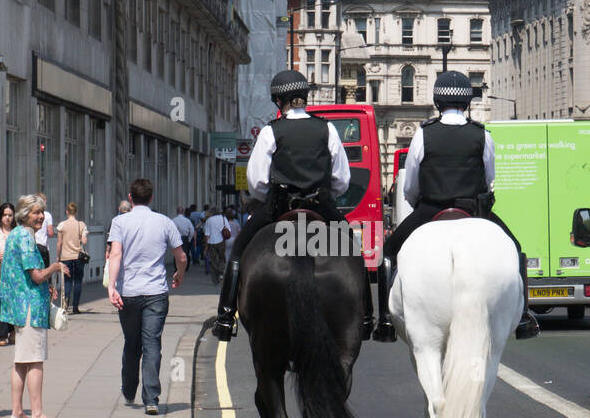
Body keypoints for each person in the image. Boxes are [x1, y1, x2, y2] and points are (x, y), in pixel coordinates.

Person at [374, 70, 540, 342]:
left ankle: (383, 322)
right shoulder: (481, 135)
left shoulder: (423, 134)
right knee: (516, 248)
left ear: (438, 102)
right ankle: (523, 318)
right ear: (468, 103)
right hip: (473, 209)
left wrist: (419, 202)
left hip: (431, 209)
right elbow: (489, 178)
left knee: (389, 252)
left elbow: (410, 184)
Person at [213, 69, 373, 341]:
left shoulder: (270, 131)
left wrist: (270, 196)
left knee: (239, 251)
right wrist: (325, 194)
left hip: (278, 206)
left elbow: (257, 182)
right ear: (305, 96)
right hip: (321, 205)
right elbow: (341, 179)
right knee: (354, 250)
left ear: (278, 101)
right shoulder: (327, 129)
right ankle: (368, 317)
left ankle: (226, 317)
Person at [106, 178, 187, 415]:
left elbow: (115, 254)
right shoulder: (164, 222)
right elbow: (181, 257)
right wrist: (179, 274)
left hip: (128, 292)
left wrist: (112, 286)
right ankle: (151, 398)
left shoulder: (119, 221)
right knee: (152, 344)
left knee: (132, 343)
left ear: (130, 198)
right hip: (156, 293)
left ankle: (129, 390)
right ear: (151, 197)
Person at [0, 194, 66, 418]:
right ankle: (37, 413)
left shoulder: (15, 235)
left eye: (41, 212)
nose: (40, 216)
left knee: (22, 361)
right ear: (25, 213)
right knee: (35, 360)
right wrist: (55, 267)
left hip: (18, 306)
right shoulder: (25, 237)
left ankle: (18, 412)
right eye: (36, 212)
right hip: (29, 306)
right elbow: (36, 275)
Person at [56, 202, 90, 314]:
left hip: (66, 256)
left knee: (67, 281)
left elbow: (59, 243)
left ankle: (65, 304)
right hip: (78, 256)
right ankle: (75, 307)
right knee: (78, 281)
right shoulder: (81, 225)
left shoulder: (61, 225)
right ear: (76, 212)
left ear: (67, 212)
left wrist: (58, 256)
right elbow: (84, 241)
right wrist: (82, 236)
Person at [0, 203, 17, 345]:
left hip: (13, 275)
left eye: (10, 215)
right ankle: (2, 335)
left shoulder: (16, 232)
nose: (7, 218)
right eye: (4, 215)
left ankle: (12, 331)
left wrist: (7, 255)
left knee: (12, 303)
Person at [202, 206, 229, 285]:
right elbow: (228, 230)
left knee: (213, 260)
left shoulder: (209, 220)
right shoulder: (223, 218)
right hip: (221, 242)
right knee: (222, 258)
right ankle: (221, 272)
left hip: (211, 242)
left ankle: (215, 278)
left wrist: (206, 247)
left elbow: (207, 234)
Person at [34, 191, 56, 262]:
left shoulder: (31, 214)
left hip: (33, 246)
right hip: (43, 246)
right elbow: (50, 233)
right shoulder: (47, 215)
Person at [172, 206, 194, 270]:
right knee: (185, 253)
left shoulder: (174, 220)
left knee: (176, 253)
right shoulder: (187, 220)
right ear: (183, 212)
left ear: (177, 212)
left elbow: (171, 230)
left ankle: (177, 267)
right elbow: (192, 230)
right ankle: (185, 267)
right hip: (185, 238)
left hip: (177, 238)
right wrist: (189, 239)